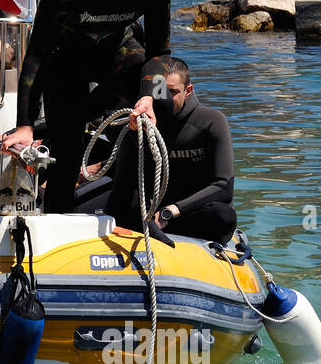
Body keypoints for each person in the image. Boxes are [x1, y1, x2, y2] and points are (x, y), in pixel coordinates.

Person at [2, 0, 172, 214]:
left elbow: (159, 51)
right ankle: (58, 217)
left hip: (115, 54)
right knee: (67, 152)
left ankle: (136, 211)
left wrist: (148, 96)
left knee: (163, 103)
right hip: (65, 61)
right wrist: (25, 125)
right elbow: (35, 57)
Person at [101, 59, 237, 243]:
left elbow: (224, 186)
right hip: (148, 213)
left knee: (223, 216)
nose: (165, 99)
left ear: (188, 91)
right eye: (160, 92)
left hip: (184, 212)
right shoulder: (138, 122)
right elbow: (123, 186)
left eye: (172, 92)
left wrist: (171, 212)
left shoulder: (211, 121)